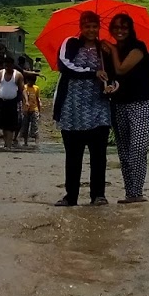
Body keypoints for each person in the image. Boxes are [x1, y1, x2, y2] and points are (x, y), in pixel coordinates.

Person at [53, 11, 111, 206]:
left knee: (99, 155)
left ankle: (98, 195)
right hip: (72, 108)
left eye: (94, 26)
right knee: (73, 155)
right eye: (87, 26)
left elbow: (112, 73)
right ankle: (71, 196)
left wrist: (112, 85)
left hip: (99, 107)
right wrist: (93, 73)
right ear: (81, 27)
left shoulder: (103, 49)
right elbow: (64, 66)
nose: (91, 30)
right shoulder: (69, 44)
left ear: (99, 28)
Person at [104, 13, 149, 205]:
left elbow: (122, 69)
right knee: (124, 151)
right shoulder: (109, 51)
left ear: (130, 29)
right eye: (116, 27)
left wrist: (113, 51)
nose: (120, 30)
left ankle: (137, 191)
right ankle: (130, 194)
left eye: (124, 27)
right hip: (118, 104)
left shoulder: (138, 47)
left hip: (141, 104)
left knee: (138, 148)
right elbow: (111, 76)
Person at [0, 56, 24, 152]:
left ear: (12, 65)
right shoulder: (0, 73)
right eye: (6, 65)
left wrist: (24, 101)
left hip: (12, 103)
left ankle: (8, 145)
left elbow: (22, 90)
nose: (7, 67)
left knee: (9, 125)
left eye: (9, 65)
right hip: (0, 101)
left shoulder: (18, 75)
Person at [20, 70, 42, 148]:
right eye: (30, 81)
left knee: (35, 126)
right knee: (25, 126)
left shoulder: (36, 88)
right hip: (26, 110)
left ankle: (36, 142)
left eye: (33, 81)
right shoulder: (24, 88)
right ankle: (25, 142)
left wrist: (39, 110)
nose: (32, 82)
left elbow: (37, 99)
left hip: (34, 109)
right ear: (27, 80)